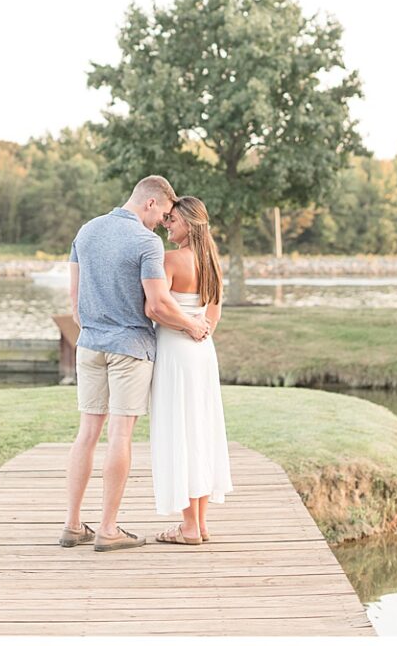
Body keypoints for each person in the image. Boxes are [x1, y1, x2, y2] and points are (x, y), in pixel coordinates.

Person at [60, 175, 211, 552]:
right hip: (130, 348)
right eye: (162, 213)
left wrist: (95, 329)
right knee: (120, 436)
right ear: (150, 203)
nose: (162, 222)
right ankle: (108, 528)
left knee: (87, 433)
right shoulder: (146, 242)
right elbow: (158, 305)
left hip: (90, 344)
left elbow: (75, 302)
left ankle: (73, 524)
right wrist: (192, 323)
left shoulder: (87, 231)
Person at [148, 195, 233, 544]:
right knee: (199, 429)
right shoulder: (212, 263)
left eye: (172, 220)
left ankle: (188, 527)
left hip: (175, 351)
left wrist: (184, 327)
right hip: (203, 352)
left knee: (180, 430)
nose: (167, 225)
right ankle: (199, 523)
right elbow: (212, 317)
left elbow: (155, 310)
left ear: (189, 224)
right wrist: (200, 329)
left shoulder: (169, 261)